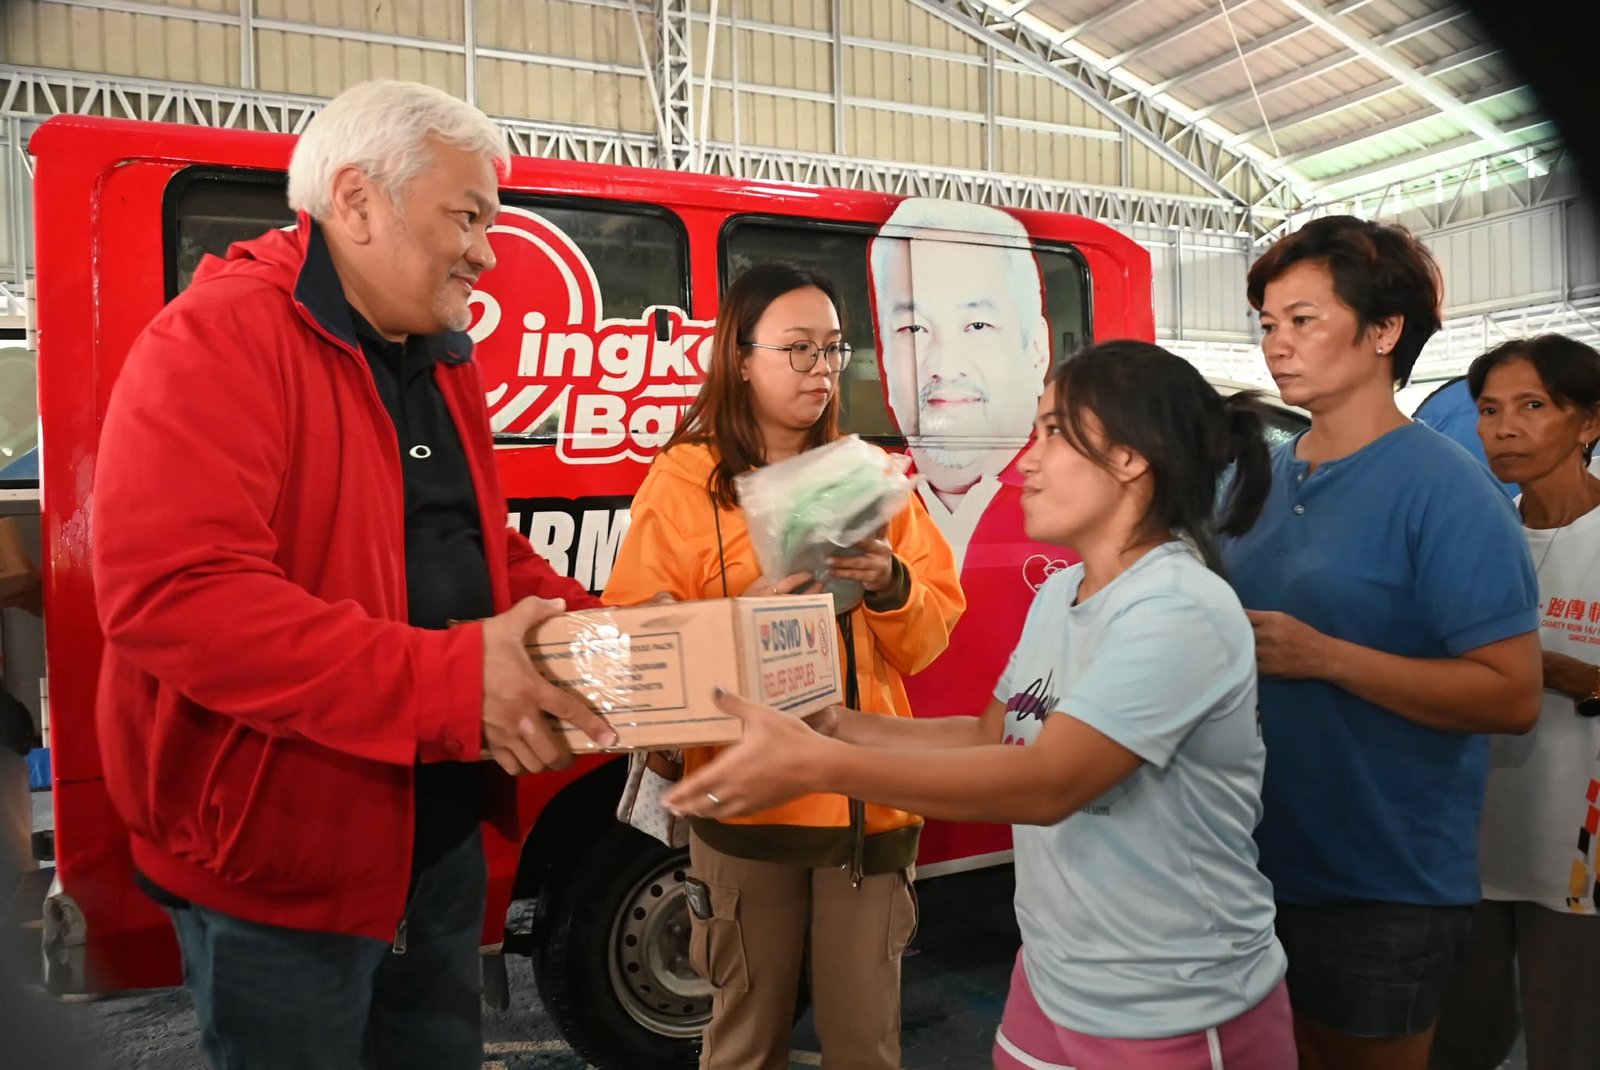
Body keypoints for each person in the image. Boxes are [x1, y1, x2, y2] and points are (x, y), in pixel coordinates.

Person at [90, 80, 617, 1070]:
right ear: (359, 199)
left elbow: (477, 544)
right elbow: (180, 599)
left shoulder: (440, 354)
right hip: (283, 866)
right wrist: (455, 681)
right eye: (468, 216)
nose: (486, 250)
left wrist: (609, 639)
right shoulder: (215, 340)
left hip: (437, 839)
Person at [665, 340, 1299, 1070]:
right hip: (1056, 984)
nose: (1026, 460)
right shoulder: (1065, 591)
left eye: (1054, 431)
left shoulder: (1180, 609)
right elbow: (992, 735)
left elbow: (1047, 783)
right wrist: (837, 725)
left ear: (1132, 457)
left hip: (1173, 1009)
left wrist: (819, 763)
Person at [603, 261, 964, 1070]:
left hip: (867, 811)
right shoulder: (686, 480)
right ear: (739, 356)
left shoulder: (867, 473)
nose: (821, 370)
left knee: (865, 1046)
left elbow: (927, 638)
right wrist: (746, 618)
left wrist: (891, 583)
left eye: (833, 349)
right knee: (743, 1042)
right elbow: (638, 643)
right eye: (798, 349)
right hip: (744, 805)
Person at [1220, 215, 1542, 1070]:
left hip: (1379, 878)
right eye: (1266, 324)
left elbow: (1510, 693)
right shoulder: (1256, 477)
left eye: (1302, 320)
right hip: (1242, 860)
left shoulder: (1448, 491)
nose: (1276, 345)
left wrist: (1326, 657)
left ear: (1385, 331)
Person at [1431, 335, 1600, 1070]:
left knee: (1568, 1039)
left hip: (1579, 850)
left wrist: (1567, 675)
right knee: (1462, 1037)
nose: (1503, 427)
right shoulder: (1469, 535)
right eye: (1489, 409)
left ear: (1589, 423)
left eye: (1533, 406)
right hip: (1468, 841)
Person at [868, 198, 1069, 729]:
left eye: (977, 326)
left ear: (1036, 350)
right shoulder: (858, 502)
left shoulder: (1082, 506)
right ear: (884, 356)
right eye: (913, 331)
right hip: (888, 804)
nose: (944, 363)